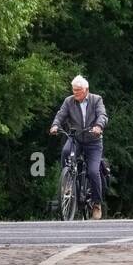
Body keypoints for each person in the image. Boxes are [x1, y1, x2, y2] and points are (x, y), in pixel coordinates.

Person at [50, 76, 108, 219]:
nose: (75, 93)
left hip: (93, 141)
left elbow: (103, 115)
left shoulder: (96, 100)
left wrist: (98, 126)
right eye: (74, 90)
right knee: (65, 151)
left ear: (86, 90)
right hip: (75, 138)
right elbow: (61, 114)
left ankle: (96, 204)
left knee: (93, 172)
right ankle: (68, 180)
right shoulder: (69, 101)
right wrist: (55, 125)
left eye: (78, 90)